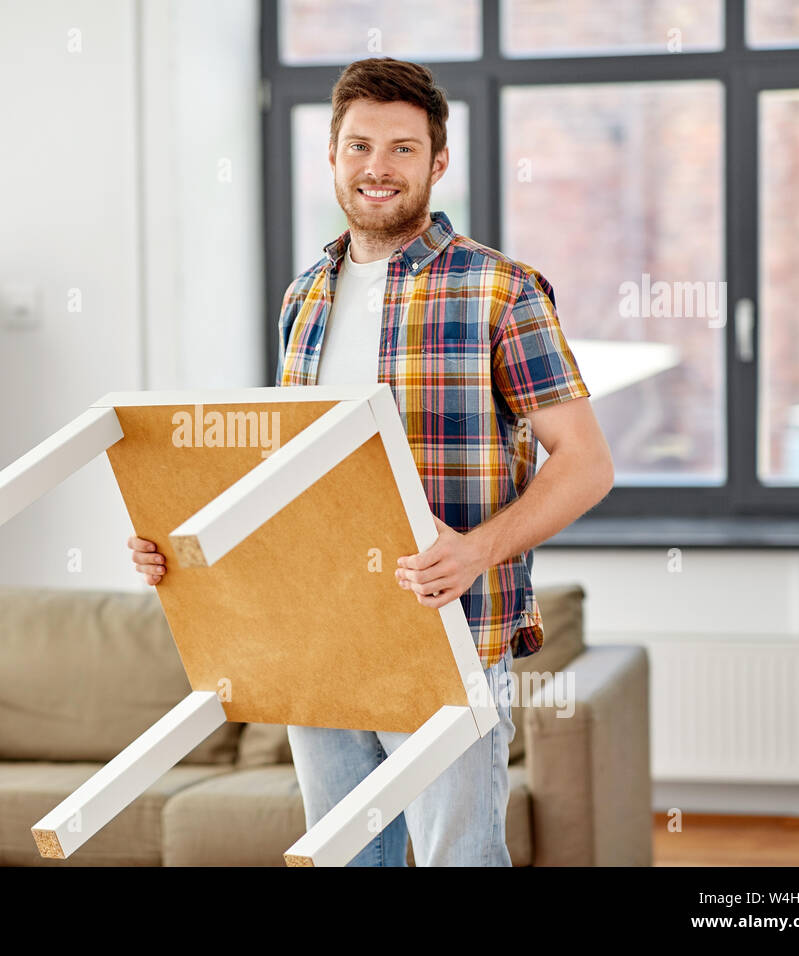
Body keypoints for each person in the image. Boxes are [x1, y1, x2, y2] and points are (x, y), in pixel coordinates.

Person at [128, 56, 613, 866]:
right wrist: (181, 550)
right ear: (331, 156)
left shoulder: (501, 290)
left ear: (438, 163)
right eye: (359, 147)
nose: (377, 169)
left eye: (401, 149)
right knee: (348, 859)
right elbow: (288, 475)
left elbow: (586, 463)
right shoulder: (305, 297)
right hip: (318, 629)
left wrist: (474, 550)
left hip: (446, 634)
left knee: (459, 857)